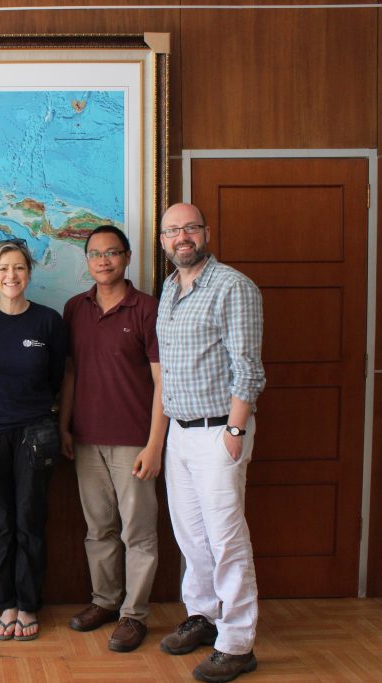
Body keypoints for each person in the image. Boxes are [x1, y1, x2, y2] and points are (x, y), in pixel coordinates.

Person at [155, 203, 265, 683]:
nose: (182, 237)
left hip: (219, 431)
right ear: (163, 241)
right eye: (173, 231)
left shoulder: (233, 287)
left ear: (205, 232)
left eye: (190, 228)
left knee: (225, 538)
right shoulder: (169, 288)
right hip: (179, 432)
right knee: (190, 535)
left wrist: (235, 432)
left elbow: (249, 368)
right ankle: (203, 616)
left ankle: (238, 643)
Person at [60, 225, 167, 653]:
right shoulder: (74, 309)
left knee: (138, 533)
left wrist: (155, 445)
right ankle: (105, 601)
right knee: (98, 529)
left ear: (126, 258)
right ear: (86, 260)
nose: (103, 261)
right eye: (95, 254)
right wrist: (64, 427)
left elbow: (163, 383)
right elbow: (70, 373)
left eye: (112, 253)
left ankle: (134, 615)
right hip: (86, 439)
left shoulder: (148, 309)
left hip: (134, 443)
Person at [0, 238, 65, 642]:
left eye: (19, 268)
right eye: (3, 268)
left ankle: (27, 605)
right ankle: (3, 602)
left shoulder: (48, 321)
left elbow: (57, 376)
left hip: (36, 433)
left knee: (29, 519)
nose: (11, 275)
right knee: (1, 522)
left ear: (29, 273)